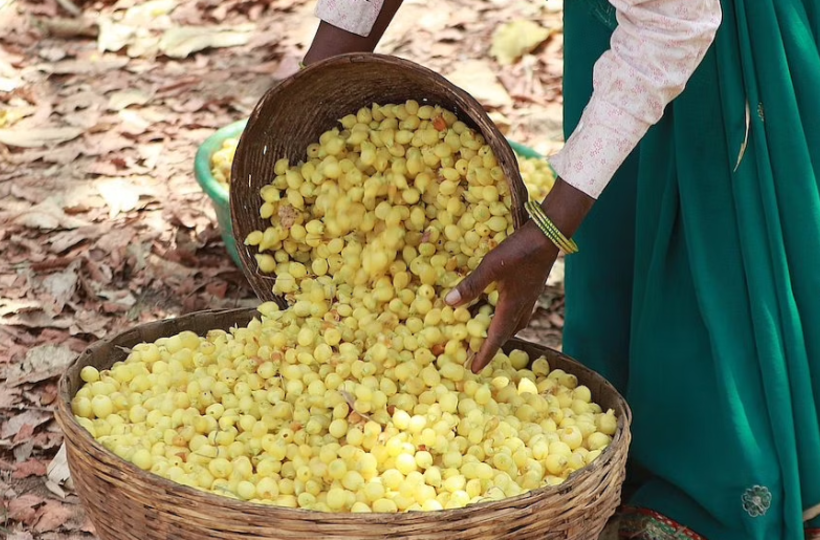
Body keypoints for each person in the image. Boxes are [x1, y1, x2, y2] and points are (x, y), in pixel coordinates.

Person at [300, 1, 820, 539]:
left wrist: (552, 227)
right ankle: (633, 458)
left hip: (710, 31)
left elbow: (674, 24)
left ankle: (723, 488)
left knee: (714, 242)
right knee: (620, 204)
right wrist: (315, 78)